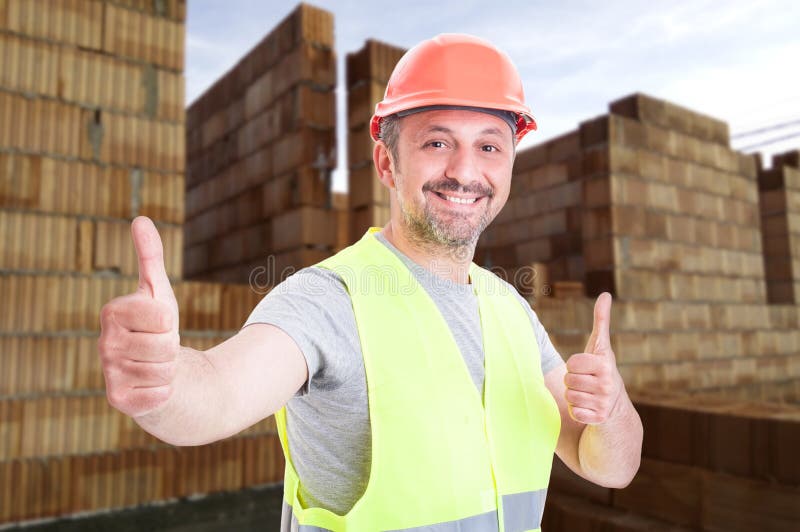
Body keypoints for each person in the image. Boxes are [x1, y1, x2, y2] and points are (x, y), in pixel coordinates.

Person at [99, 33, 642, 532]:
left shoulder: (511, 312)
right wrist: (164, 382)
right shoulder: (328, 298)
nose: (466, 170)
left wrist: (612, 409)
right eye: (436, 143)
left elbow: (609, 467)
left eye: (490, 146)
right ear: (387, 161)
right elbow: (218, 392)